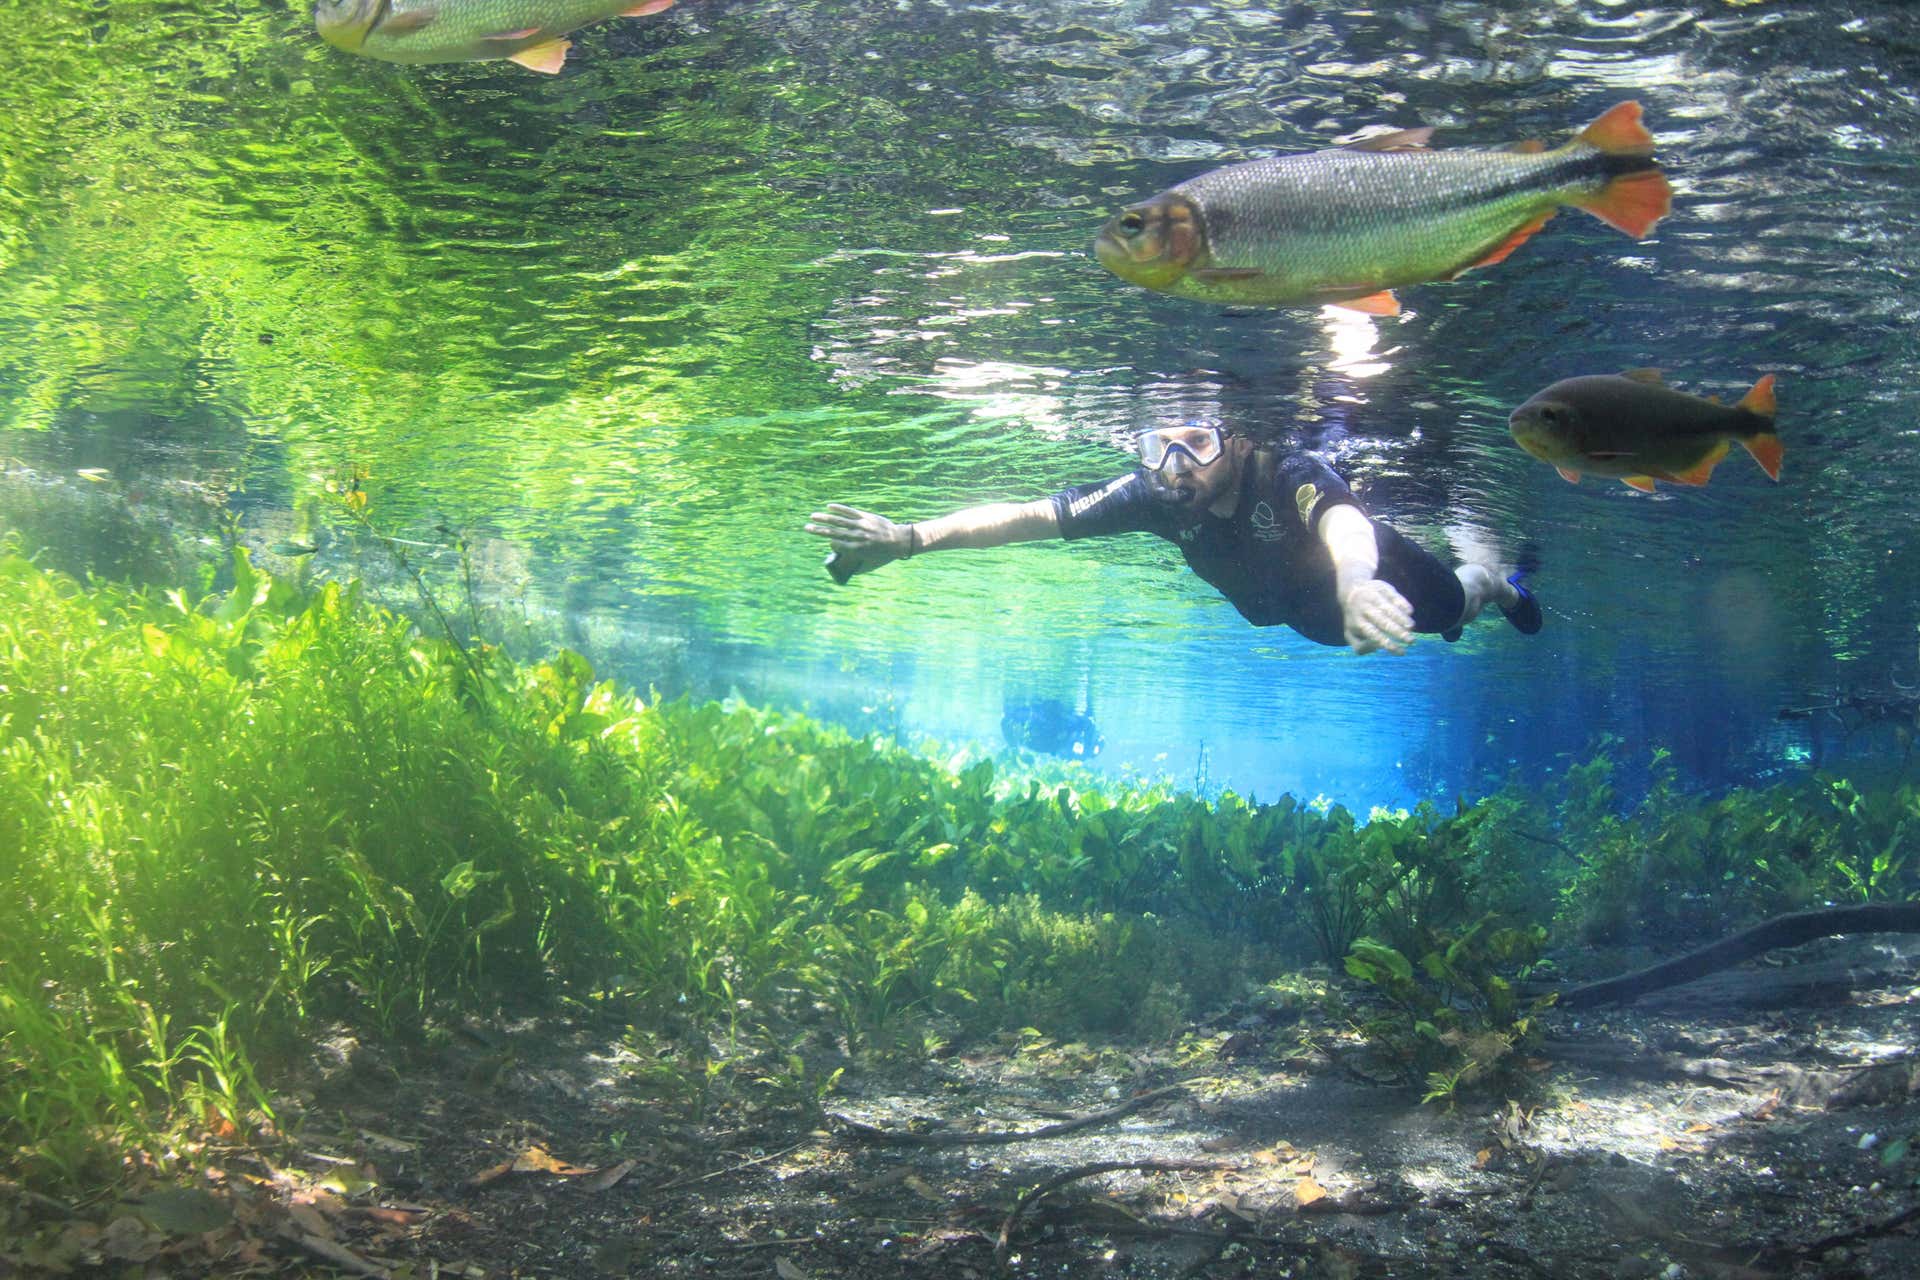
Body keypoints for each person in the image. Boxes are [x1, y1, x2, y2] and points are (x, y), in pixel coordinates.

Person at [804, 423, 1541, 655]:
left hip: (1380, 583)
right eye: (1159, 446)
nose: (1175, 465)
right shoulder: (1156, 495)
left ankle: (1496, 582)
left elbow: (1343, 525)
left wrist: (1356, 586)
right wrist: (908, 538)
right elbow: (1032, 517)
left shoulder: (1285, 470)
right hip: (1309, 619)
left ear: (1238, 438)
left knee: (1457, 608)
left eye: (1196, 442)